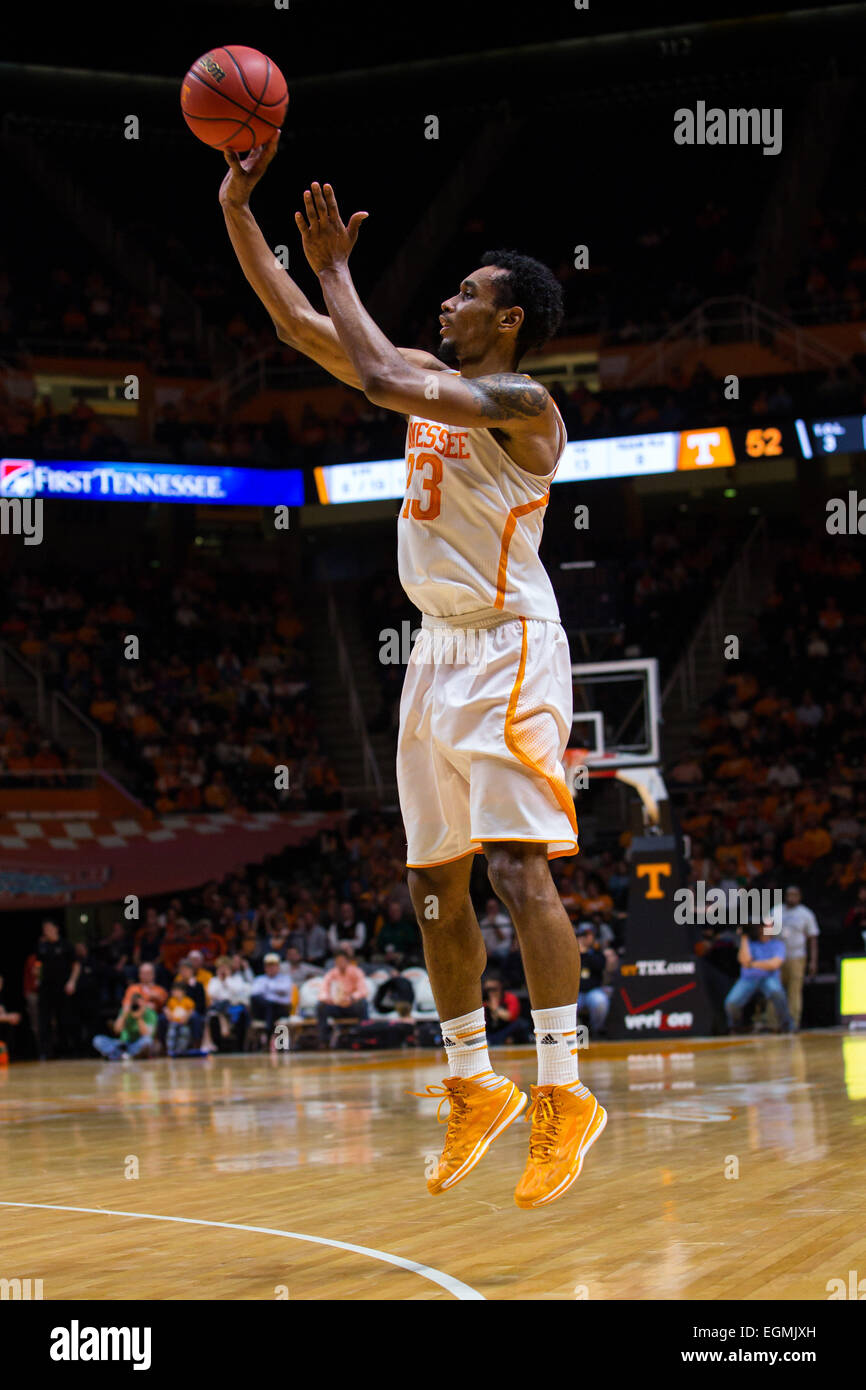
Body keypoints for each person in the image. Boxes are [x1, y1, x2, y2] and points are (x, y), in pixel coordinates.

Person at [220, 143, 605, 1208]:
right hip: (432, 651)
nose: (448, 300)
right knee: (433, 886)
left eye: (467, 294)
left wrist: (338, 267)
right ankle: (472, 1082)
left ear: (509, 320)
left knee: (518, 872)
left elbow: (378, 368)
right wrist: (234, 206)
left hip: (509, 644)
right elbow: (299, 328)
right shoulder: (437, 386)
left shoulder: (524, 402)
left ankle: (562, 1091)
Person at [725, 920, 795, 1034]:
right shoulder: (749, 943)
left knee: (777, 992)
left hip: (769, 977)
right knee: (731, 1002)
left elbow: (774, 964)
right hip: (748, 979)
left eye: (771, 926)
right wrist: (744, 936)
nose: (768, 929)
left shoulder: (777, 944)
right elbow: (744, 960)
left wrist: (753, 964)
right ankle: (736, 1027)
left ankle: (787, 1025)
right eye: (764, 926)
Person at [777, 886, 819, 1029]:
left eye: (795, 895)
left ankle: (793, 1023)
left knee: (794, 991)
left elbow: (813, 938)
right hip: (777, 958)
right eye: (789, 894)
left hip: (797, 957)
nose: (791, 897)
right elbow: (766, 935)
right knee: (774, 990)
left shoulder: (806, 914)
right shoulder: (776, 911)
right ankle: (773, 1023)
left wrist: (813, 961)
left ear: (800, 897)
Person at [36, 921, 78, 1059]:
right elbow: (38, 964)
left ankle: (66, 1050)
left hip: (62, 987)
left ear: (56, 928)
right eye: (44, 929)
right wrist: (37, 975)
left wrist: (72, 982)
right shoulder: (42, 946)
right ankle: (45, 1052)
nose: (46, 931)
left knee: (64, 1019)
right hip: (46, 988)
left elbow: (76, 966)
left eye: (48, 928)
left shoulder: (66, 945)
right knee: (44, 1020)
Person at [316, 951, 369, 1047]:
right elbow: (322, 992)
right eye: (338, 961)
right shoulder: (331, 974)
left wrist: (351, 998)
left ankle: (364, 1037)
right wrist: (328, 999)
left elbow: (363, 991)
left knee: (363, 1003)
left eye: (343, 961)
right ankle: (323, 1040)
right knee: (321, 1006)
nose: (341, 963)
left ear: (348, 961)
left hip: (351, 1005)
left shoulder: (356, 972)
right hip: (336, 1006)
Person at [93, 993, 157, 1061]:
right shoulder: (125, 1011)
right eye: (134, 1004)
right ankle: (122, 1055)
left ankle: (116, 1055)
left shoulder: (150, 1013)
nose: (135, 1006)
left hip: (136, 1044)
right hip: (122, 1044)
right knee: (97, 1040)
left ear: (144, 1003)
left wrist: (139, 1018)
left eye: (138, 1004)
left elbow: (146, 1034)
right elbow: (117, 1030)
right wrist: (124, 1015)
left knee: (147, 1040)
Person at [575, 924, 612, 1036]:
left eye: (590, 935)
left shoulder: (597, 953)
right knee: (565, 1007)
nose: (587, 938)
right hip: (575, 993)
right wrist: (578, 951)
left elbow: (599, 965)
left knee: (600, 1001)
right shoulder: (571, 953)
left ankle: (596, 1031)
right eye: (584, 935)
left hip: (593, 991)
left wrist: (585, 952)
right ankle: (580, 1036)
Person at [248, 953, 294, 1037]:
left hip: (281, 1008)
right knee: (260, 1002)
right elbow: (254, 994)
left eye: (273, 966)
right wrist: (274, 991)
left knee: (271, 1006)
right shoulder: (260, 979)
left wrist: (267, 988)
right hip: (263, 1010)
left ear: (278, 967)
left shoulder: (285, 978)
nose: (271, 968)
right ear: (265, 967)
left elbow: (284, 989)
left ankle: (268, 1036)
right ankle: (271, 1035)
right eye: (268, 966)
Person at [482, 978, 528, 1045]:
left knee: (520, 1024)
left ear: (500, 987)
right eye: (488, 990)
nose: (491, 992)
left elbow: (510, 1016)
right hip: (490, 1032)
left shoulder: (510, 997)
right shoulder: (484, 1001)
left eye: (494, 989)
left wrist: (495, 1008)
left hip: (506, 1030)